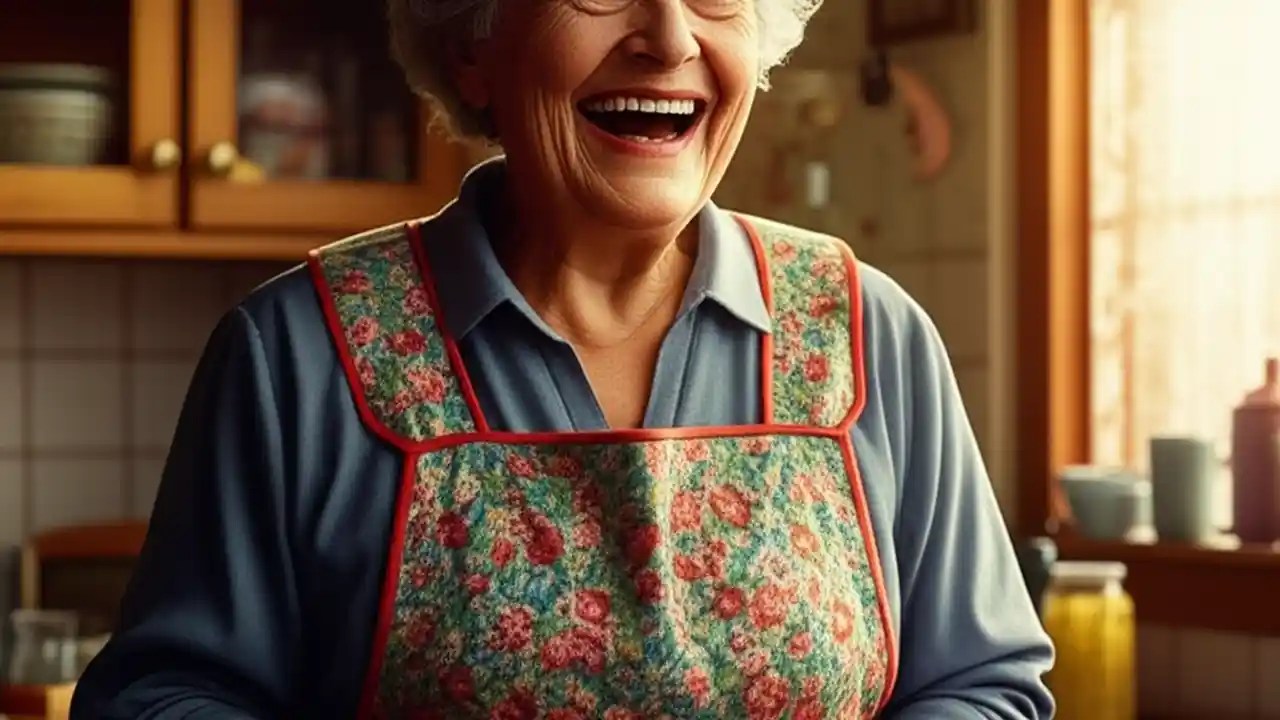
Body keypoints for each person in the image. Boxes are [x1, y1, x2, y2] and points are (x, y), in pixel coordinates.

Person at [71, 0, 1054, 717]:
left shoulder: (866, 333)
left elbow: (983, 684)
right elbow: (163, 698)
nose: (669, 37)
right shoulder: (298, 354)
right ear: (472, 47)